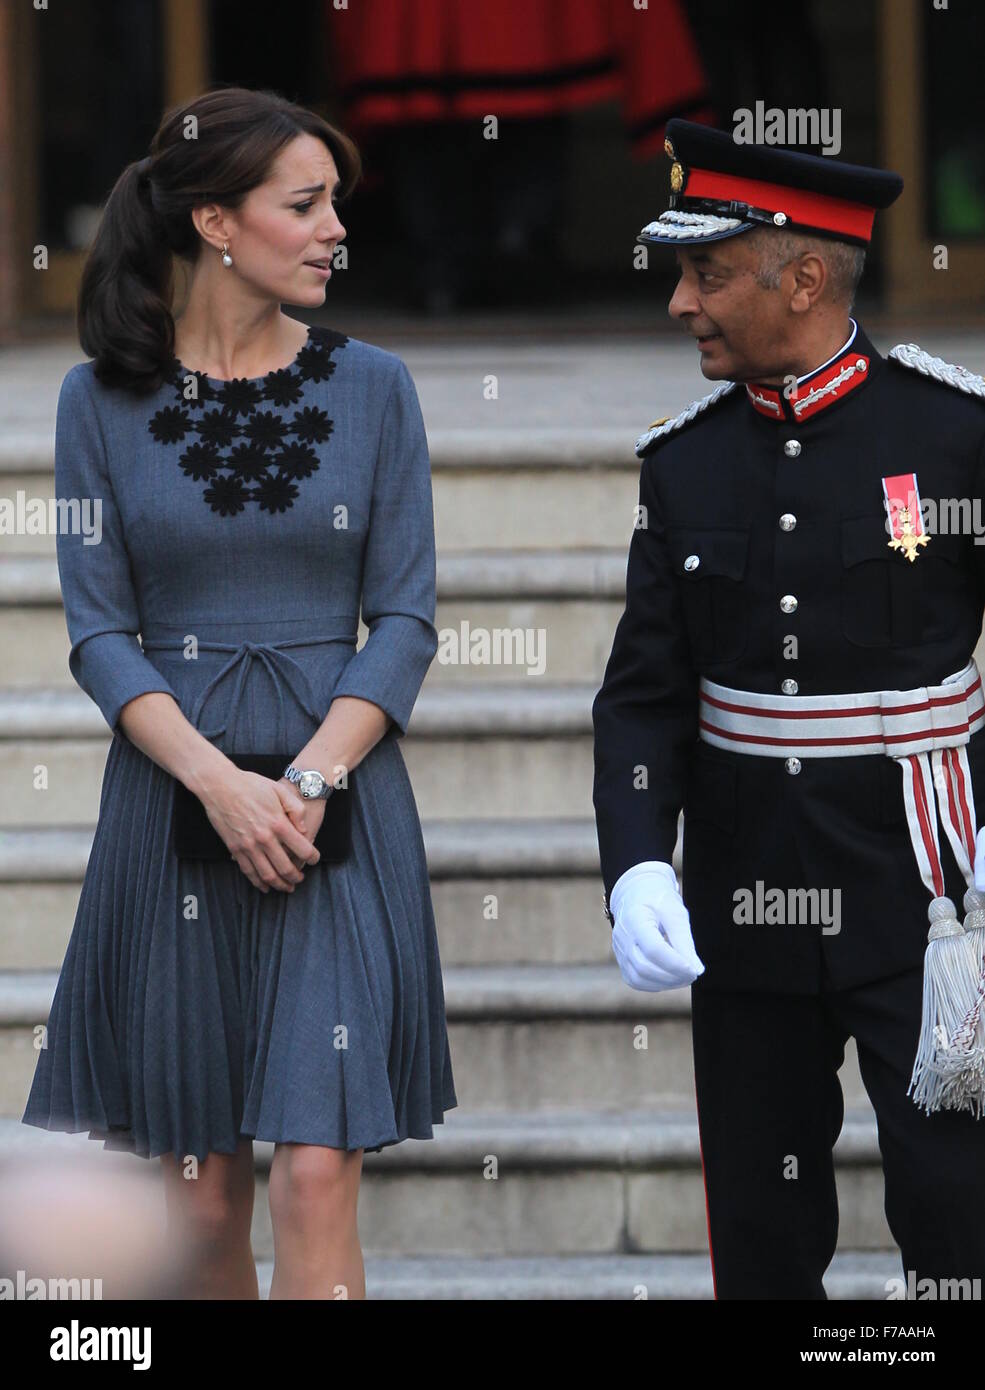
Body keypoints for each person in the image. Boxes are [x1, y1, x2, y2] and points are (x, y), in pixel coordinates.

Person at [21, 85, 457, 1300]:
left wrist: (306, 780)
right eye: (305, 204)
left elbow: (406, 618)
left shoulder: (376, 388)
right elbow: (101, 635)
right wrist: (221, 788)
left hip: (338, 810)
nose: (334, 231)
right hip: (173, 810)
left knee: (316, 1171)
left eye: (336, 207)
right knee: (200, 1197)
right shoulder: (95, 402)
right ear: (215, 221)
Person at [592, 117, 985, 1299]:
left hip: (929, 894)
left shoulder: (956, 434)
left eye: (705, 273)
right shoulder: (683, 463)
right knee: (761, 1238)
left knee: (958, 1212)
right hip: (743, 891)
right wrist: (635, 865)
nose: (679, 303)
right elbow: (644, 698)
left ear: (803, 276)